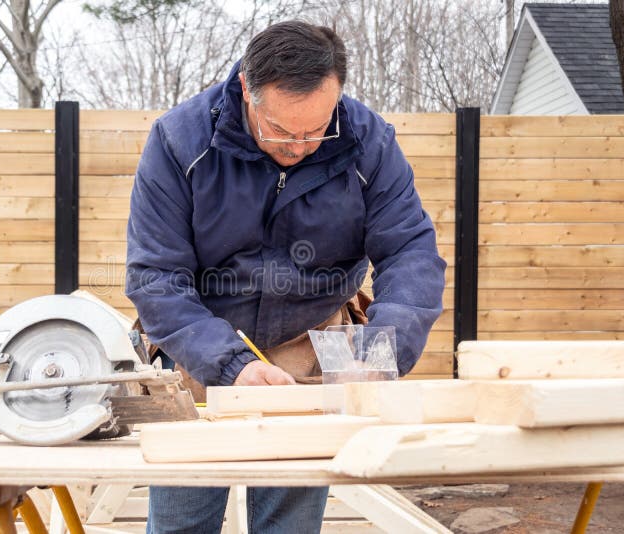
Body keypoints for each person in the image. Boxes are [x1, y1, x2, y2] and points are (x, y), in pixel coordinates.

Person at [125, 20, 446, 534]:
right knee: (182, 521)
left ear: (336, 96)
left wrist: (383, 350)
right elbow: (156, 277)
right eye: (281, 131)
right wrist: (230, 366)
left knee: (289, 527)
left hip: (310, 344)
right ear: (248, 91)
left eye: (316, 130)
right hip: (201, 342)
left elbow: (410, 250)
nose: (299, 147)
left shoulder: (369, 142)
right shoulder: (179, 141)